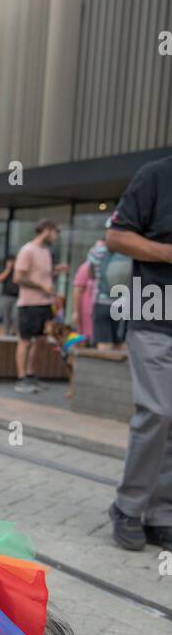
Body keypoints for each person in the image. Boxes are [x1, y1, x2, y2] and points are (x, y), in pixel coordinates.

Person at [105, 155, 172, 551]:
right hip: (153, 314)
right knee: (158, 411)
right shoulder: (155, 176)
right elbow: (116, 238)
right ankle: (128, 508)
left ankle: (161, 513)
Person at [12, 220, 67, 393]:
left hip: (46, 304)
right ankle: (21, 379)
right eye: (55, 233)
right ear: (46, 230)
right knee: (25, 341)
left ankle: (31, 375)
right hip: (29, 304)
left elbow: (41, 274)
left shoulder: (46, 252)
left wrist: (55, 271)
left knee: (41, 341)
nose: (56, 237)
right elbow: (18, 277)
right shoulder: (27, 250)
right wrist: (42, 287)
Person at [71, 256, 96, 345]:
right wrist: (75, 312)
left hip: (100, 312)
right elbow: (77, 290)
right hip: (86, 313)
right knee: (83, 338)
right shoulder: (86, 267)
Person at [0, 253, 19, 336]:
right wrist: (8, 269)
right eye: (10, 261)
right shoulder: (4, 269)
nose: (12, 263)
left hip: (17, 297)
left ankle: (14, 331)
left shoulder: (18, 270)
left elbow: (18, 280)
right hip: (6, 296)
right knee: (6, 316)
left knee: (16, 316)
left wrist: (16, 269)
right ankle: (6, 334)